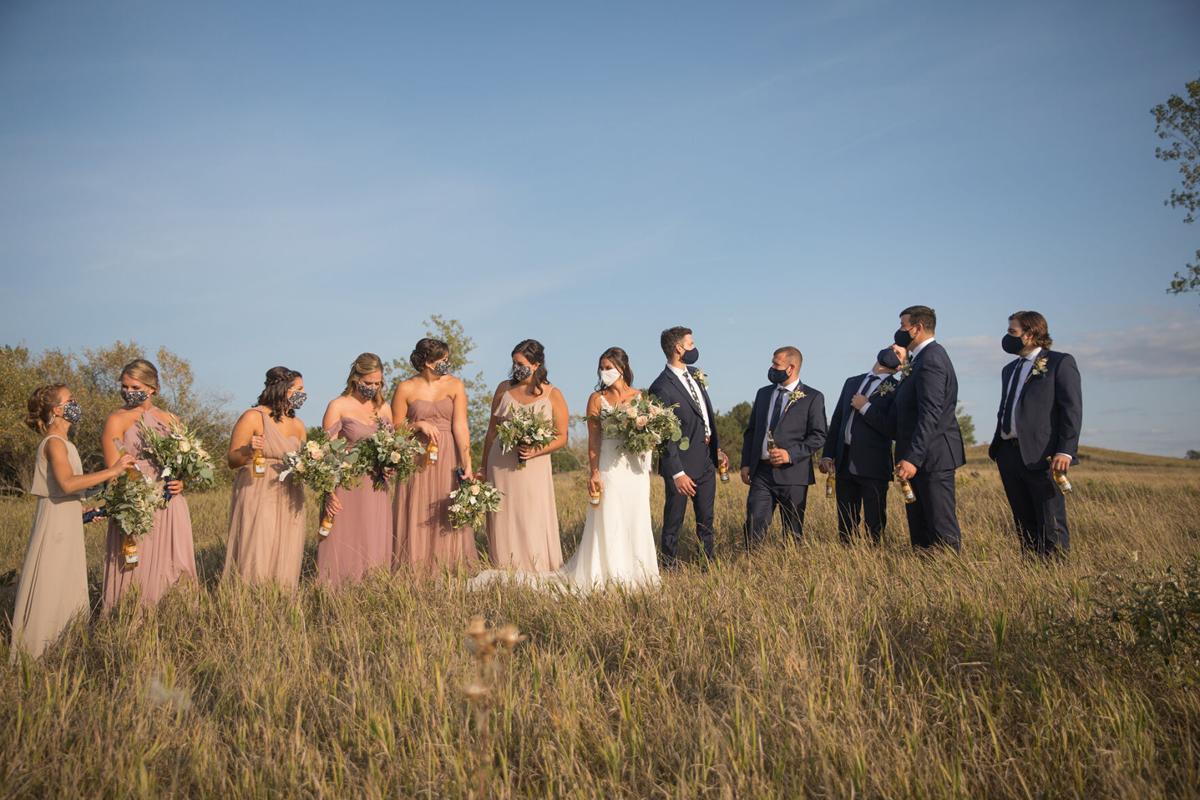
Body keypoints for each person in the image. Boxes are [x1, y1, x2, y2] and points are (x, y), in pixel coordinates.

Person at [11, 385, 135, 660]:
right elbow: (67, 484)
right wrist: (111, 471)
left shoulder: (65, 443)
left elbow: (63, 490)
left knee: (65, 577)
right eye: (71, 401)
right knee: (53, 579)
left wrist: (84, 510)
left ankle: (63, 646)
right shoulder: (54, 443)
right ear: (57, 410)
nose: (76, 404)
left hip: (65, 517)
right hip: (55, 525)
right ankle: (38, 651)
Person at [559, 347, 660, 590]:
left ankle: (639, 576)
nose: (604, 372)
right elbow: (594, 439)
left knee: (636, 517)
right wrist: (594, 471)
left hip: (634, 468)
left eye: (608, 368)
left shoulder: (640, 397)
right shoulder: (596, 399)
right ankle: (610, 575)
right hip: (609, 465)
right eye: (601, 368)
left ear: (622, 369)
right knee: (610, 516)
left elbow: (649, 435)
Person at [100, 358, 197, 609]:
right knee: (136, 562)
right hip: (135, 499)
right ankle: (131, 616)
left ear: (152, 388)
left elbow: (183, 462)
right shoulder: (117, 420)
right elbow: (114, 471)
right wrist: (131, 499)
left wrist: (181, 482)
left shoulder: (171, 419)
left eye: (134, 387)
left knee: (175, 561)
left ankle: (174, 616)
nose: (127, 392)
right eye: (124, 387)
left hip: (169, 501)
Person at [866, 305, 966, 551]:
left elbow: (931, 413)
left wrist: (913, 458)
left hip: (932, 458)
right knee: (920, 530)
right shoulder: (917, 360)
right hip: (917, 458)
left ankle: (950, 579)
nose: (898, 331)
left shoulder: (932, 359)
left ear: (918, 328)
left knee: (940, 529)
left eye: (903, 326)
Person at [988, 310, 1082, 557]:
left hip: (1043, 455)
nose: (1007, 337)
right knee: (1023, 518)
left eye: (1012, 332)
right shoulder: (1009, 370)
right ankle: (1031, 570)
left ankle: (1056, 572)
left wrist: (1065, 450)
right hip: (1009, 453)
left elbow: (1071, 409)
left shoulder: (1060, 362)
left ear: (1029, 334)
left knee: (1050, 519)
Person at [480, 339, 568, 571]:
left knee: (532, 513)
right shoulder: (503, 389)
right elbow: (492, 431)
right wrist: (483, 467)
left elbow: (562, 436)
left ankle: (536, 565)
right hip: (499, 463)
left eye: (520, 363)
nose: (515, 367)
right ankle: (504, 565)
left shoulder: (552, 394)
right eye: (513, 363)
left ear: (536, 364)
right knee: (503, 514)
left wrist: (535, 450)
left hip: (534, 465)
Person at [391, 338, 478, 571]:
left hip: (448, 453)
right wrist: (417, 425)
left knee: (446, 507)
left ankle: (449, 565)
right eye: (443, 360)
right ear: (428, 363)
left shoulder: (455, 385)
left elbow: (460, 425)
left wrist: (466, 461)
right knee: (418, 507)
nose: (447, 364)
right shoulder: (405, 388)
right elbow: (395, 429)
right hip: (417, 456)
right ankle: (417, 566)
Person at [647, 326, 728, 568]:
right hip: (681, 466)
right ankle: (669, 567)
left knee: (706, 519)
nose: (695, 348)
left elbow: (704, 416)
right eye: (691, 344)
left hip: (705, 459)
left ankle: (707, 565)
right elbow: (663, 436)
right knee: (673, 521)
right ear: (678, 348)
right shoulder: (661, 387)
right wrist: (677, 473)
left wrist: (717, 449)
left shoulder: (695, 374)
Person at [223, 367, 308, 587]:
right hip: (258, 488)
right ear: (283, 390)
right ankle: (250, 597)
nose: (304, 394)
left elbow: (304, 460)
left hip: (291, 492)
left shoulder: (299, 426)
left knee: (287, 546)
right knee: (258, 544)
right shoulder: (253, 417)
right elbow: (232, 460)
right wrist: (249, 451)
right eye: (299, 389)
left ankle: (281, 597)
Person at [318, 353, 394, 586]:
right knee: (344, 536)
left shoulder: (384, 408)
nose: (372, 387)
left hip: (376, 484)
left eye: (377, 383)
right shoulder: (338, 406)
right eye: (368, 382)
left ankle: (373, 590)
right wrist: (328, 492)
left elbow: (391, 446)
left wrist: (389, 466)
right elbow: (324, 453)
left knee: (373, 537)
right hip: (345, 484)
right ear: (355, 378)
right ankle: (334, 590)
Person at [739, 347, 827, 547]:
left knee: (792, 532)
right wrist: (746, 463)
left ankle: (790, 569)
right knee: (754, 525)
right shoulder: (763, 394)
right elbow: (751, 431)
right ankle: (751, 566)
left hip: (793, 475)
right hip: (761, 472)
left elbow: (819, 435)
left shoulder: (813, 397)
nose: (772, 368)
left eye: (776, 364)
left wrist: (790, 454)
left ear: (791, 368)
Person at [820, 347, 902, 544]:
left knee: (874, 520)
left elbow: (893, 428)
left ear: (901, 366)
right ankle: (847, 556)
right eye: (892, 348)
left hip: (873, 464)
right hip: (844, 460)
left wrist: (865, 407)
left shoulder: (898, 388)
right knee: (846, 520)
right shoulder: (852, 382)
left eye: (899, 353)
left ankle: (875, 556)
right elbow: (838, 420)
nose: (893, 350)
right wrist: (828, 454)